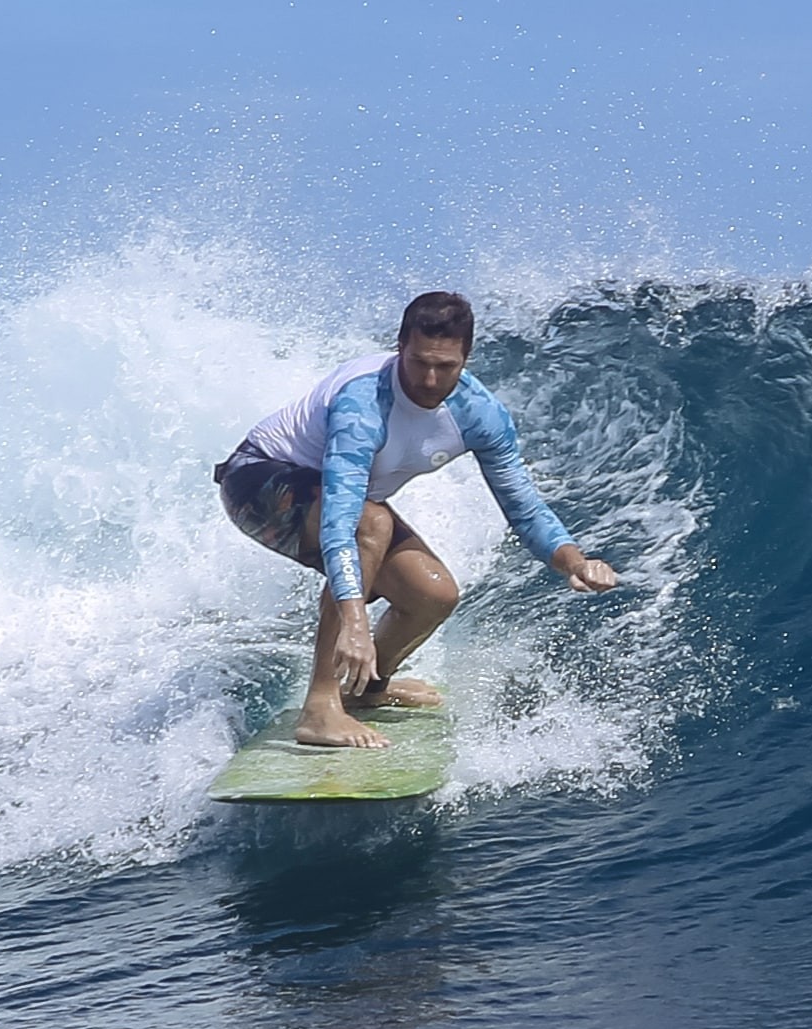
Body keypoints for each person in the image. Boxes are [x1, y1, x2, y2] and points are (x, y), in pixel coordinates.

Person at [214, 290, 616, 749]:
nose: (429, 379)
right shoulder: (363, 401)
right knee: (372, 524)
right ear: (400, 345)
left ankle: (365, 691)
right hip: (256, 482)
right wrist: (355, 623)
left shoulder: (480, 414)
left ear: (466, 356)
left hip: (341, 505)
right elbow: (343, 521)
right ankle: (321, 707)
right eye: (419, 361)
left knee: (433, 594)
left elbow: (522, 506)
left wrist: (575, 562)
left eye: (446, 366)